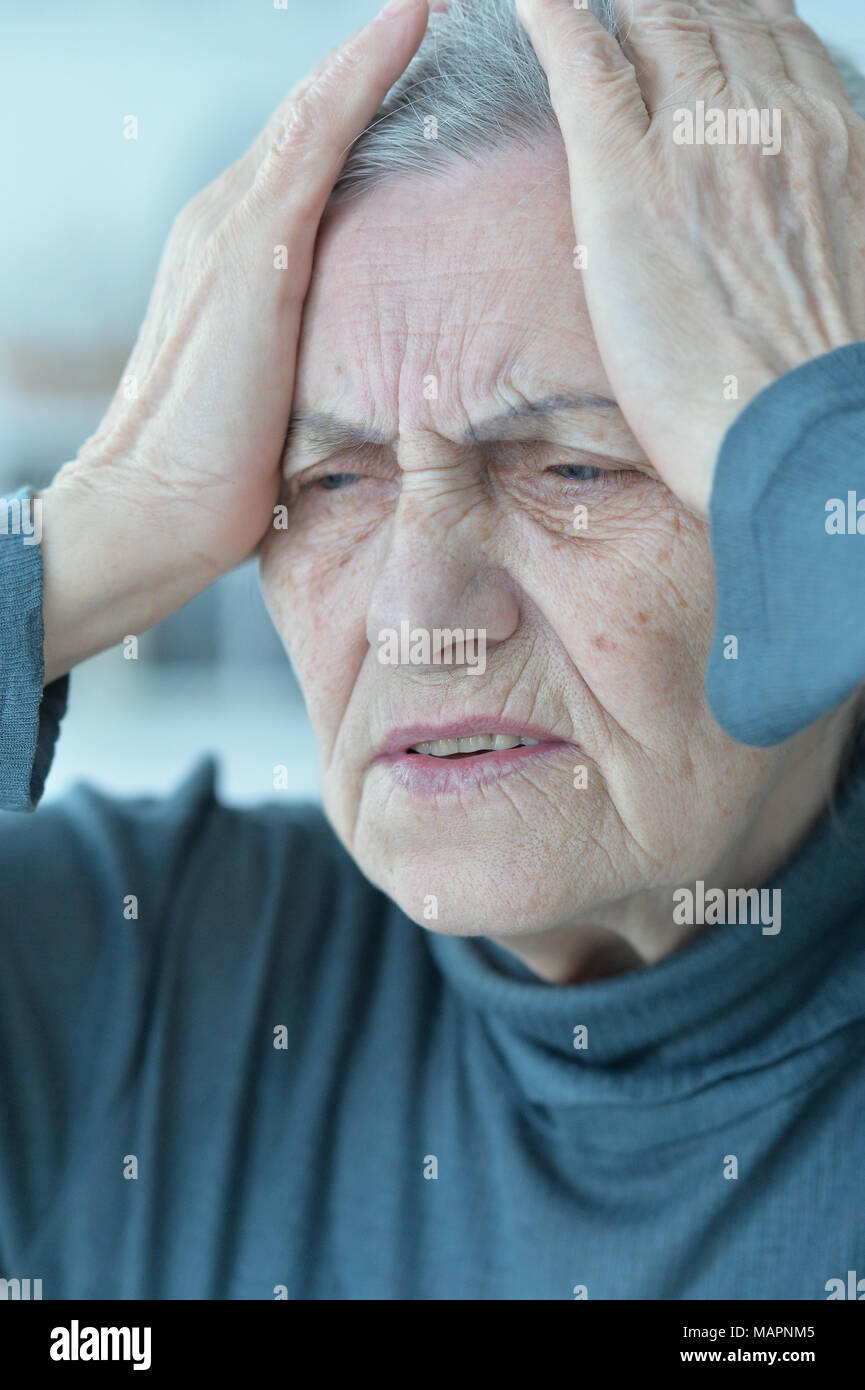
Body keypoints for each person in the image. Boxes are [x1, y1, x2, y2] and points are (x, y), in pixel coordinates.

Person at [2, 0, 865, 1300]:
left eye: (577, 467)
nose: (417, 613)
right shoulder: (139, 978)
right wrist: (93, 529)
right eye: (331, 481)